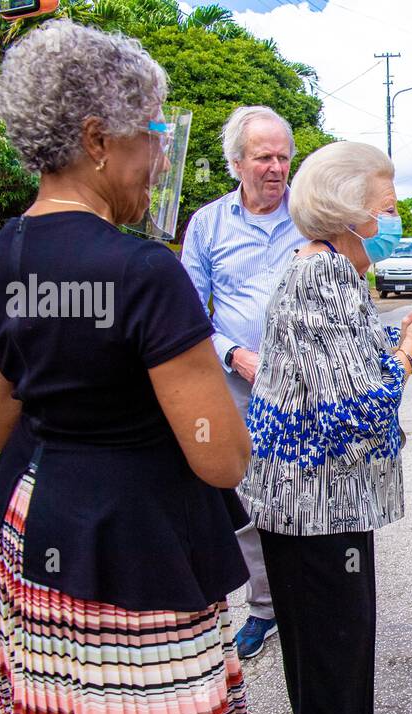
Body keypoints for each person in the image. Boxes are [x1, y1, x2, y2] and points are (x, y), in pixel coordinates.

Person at [0, 22, 261, 714]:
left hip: (36, 535)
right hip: (136, 551)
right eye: (151, 137)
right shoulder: (142, 272)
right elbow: (218, 454)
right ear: (96, 140)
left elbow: (1, 421)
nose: (158, 159)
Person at [239, 140, 412, 714]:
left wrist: (403, 342)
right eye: (385, 207)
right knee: (328, 634)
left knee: (345, 627)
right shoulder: (322, 276)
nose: (392, 219)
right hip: (312, 497)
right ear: (348, 208)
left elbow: (342, 372)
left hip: (324, 492)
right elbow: (356, 402)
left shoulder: (329, 267)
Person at [181, 105, 305, 660]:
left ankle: (309, 596)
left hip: (306, 383)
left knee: (306, 489)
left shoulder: (310, 217)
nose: (276, 168)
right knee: (249, 496)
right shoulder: (207, 225)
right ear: (237, 162)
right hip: (236, 381)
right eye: (264, 157)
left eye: (283, 156)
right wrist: (233, 353)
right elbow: (187, 314)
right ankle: (264, 607)